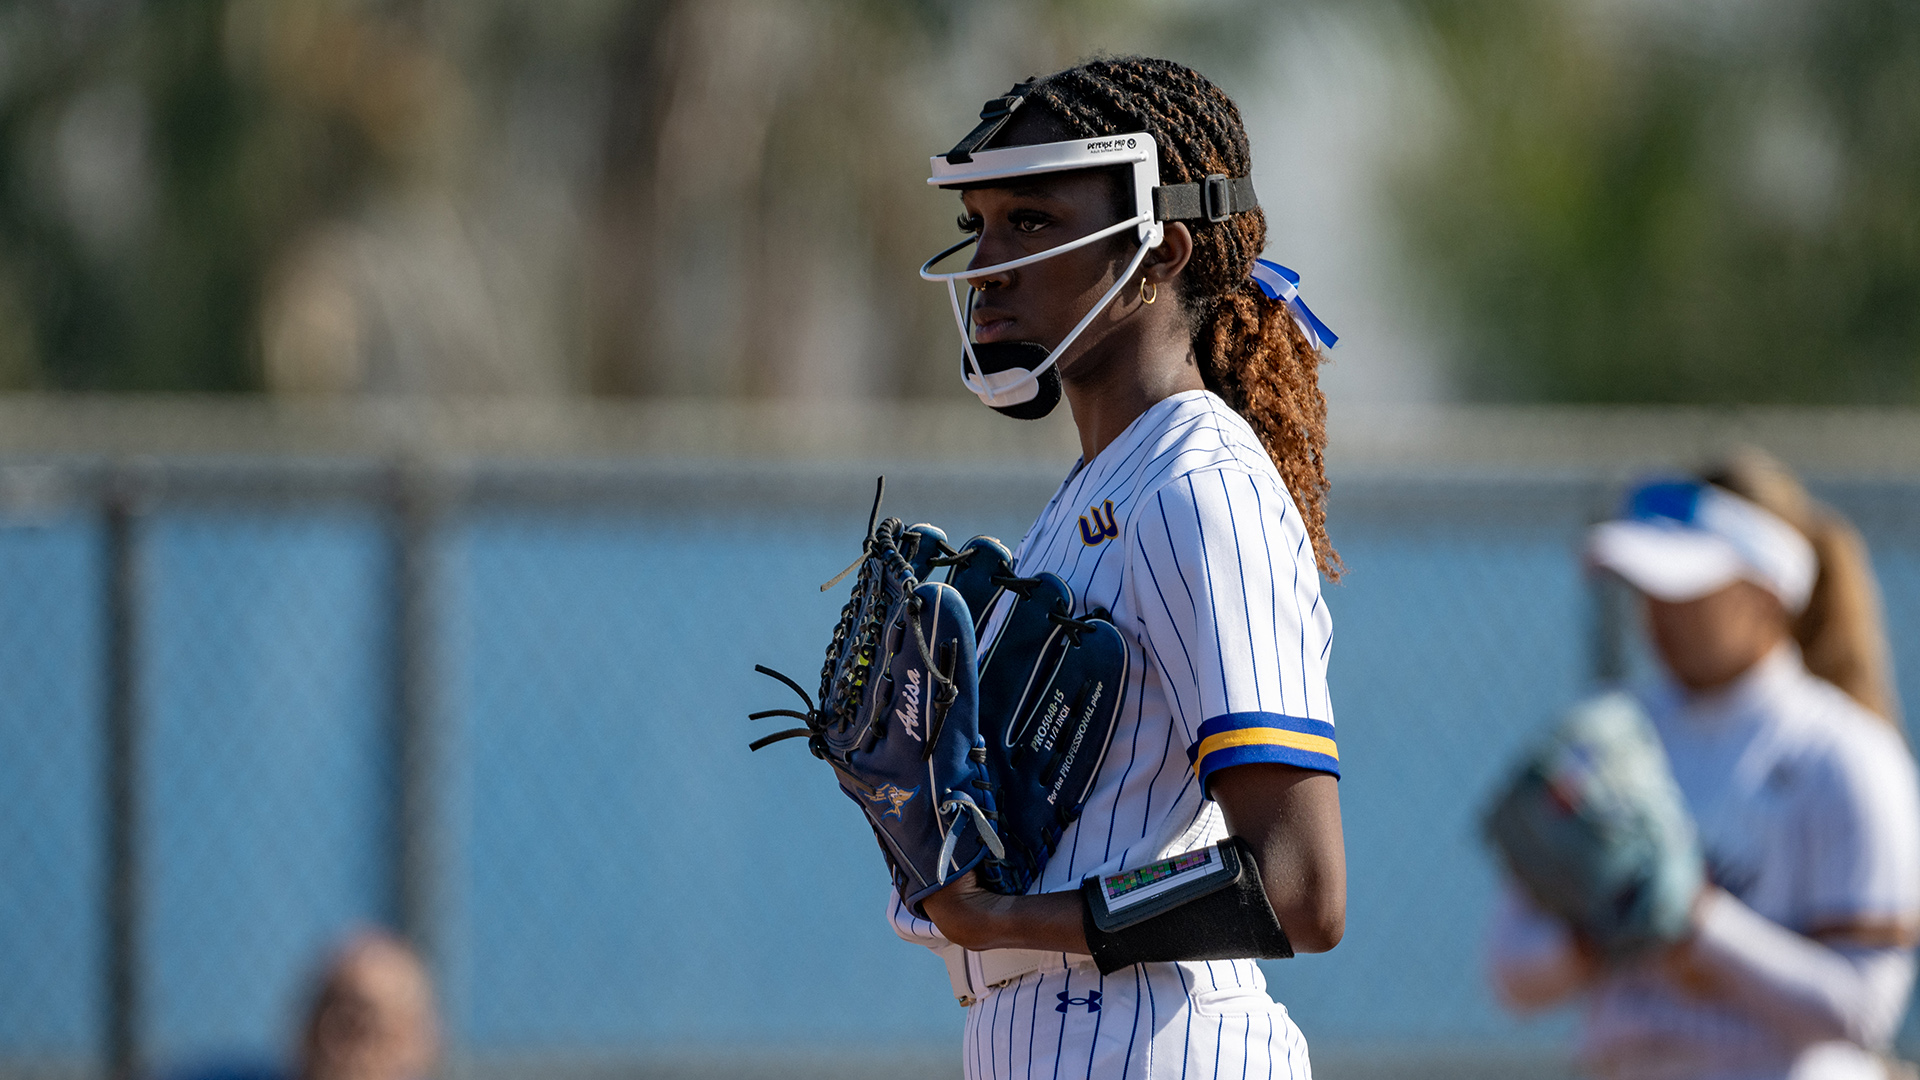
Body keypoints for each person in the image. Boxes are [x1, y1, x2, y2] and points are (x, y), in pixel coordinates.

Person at [887, 57, 1348, 1078]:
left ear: (1159, 251)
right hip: (1058, 1036)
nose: (989, 262)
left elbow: (1299, 886)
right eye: (982, 224)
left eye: (1035, 222)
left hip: (1156, 1040)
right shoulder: (1100, 495)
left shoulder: (1201, 485)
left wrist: (1002, 913)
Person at [1487, 450, 1920, 1080]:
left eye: (1688, 590)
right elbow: (1510, 971)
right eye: (1648, 588)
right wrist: (1605, 928)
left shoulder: (1843, 753)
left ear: (1768, 593)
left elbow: (1865, 1009)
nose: (1659, 612)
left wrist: (1694, 918)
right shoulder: (1610, 738)